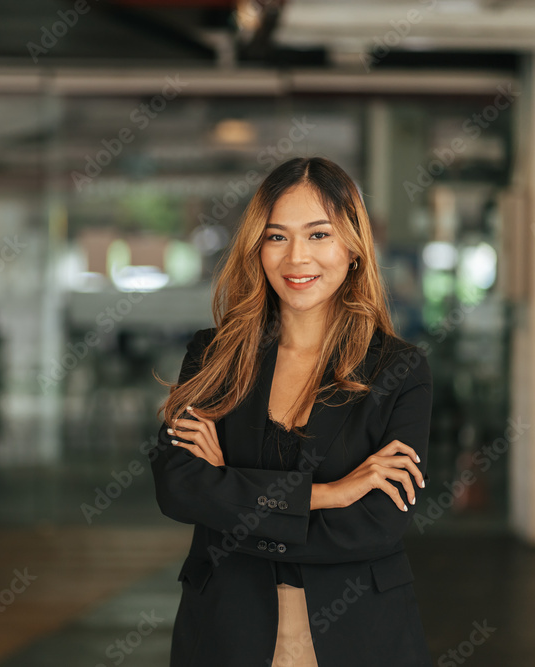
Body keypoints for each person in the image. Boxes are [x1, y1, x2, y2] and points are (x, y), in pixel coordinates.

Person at [148, 156, 433, 666]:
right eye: (277, 237)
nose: (297, 257)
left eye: (319, 235)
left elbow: (376, 524)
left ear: (353, 248)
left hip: (360, 636)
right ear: (257, 248)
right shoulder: (214, 356)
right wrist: (328, 494)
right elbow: (177, 486)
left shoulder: (398, 371)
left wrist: (229, 492)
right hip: (226, 631)